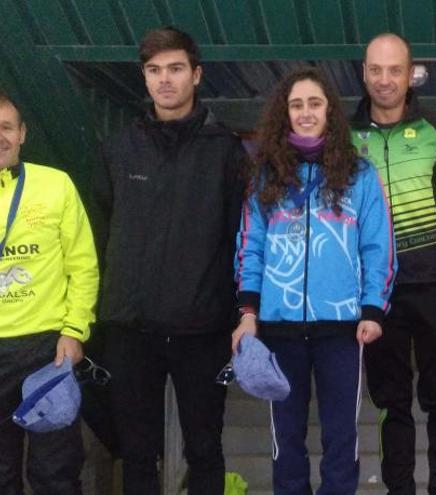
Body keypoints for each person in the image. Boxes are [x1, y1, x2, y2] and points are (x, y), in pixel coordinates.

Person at [93, 27, 246, 494]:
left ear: (196, 75)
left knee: (204, 448)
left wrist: (243, 312)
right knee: (137, 452)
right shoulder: (119, 148)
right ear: (144, 78)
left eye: (175, 69)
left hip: (202, 328)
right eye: (154, 71)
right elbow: (102, 227)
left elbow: (240, 237)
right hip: (129, 328)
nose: (165, 80)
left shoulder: (225, 150)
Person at [233, 67, 396, 495]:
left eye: (315, 103)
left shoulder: (359, 175)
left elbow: (378, 246)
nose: (306, 113)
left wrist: (373, 309)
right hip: (278, 327)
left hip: (342, 327)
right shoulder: (266, 176)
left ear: (330, 112)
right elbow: (250, 246)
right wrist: (248, 313)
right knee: (285, 440)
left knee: (341, 437)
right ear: (284, 114)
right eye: (296, 104)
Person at [351, 33, 436, 495]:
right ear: (364, 73)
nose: (384, 80)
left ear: (409, 72)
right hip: (378, 293)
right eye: (376, 70)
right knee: (391, 403)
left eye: (394, 70)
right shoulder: (345, 136)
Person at [0, 90, 99, 494]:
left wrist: (74, 332)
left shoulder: (55, 185)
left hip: (46, 353)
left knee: (55, 474)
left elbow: (84, 265)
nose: (0, 136)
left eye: (6, 127)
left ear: (22, 133)